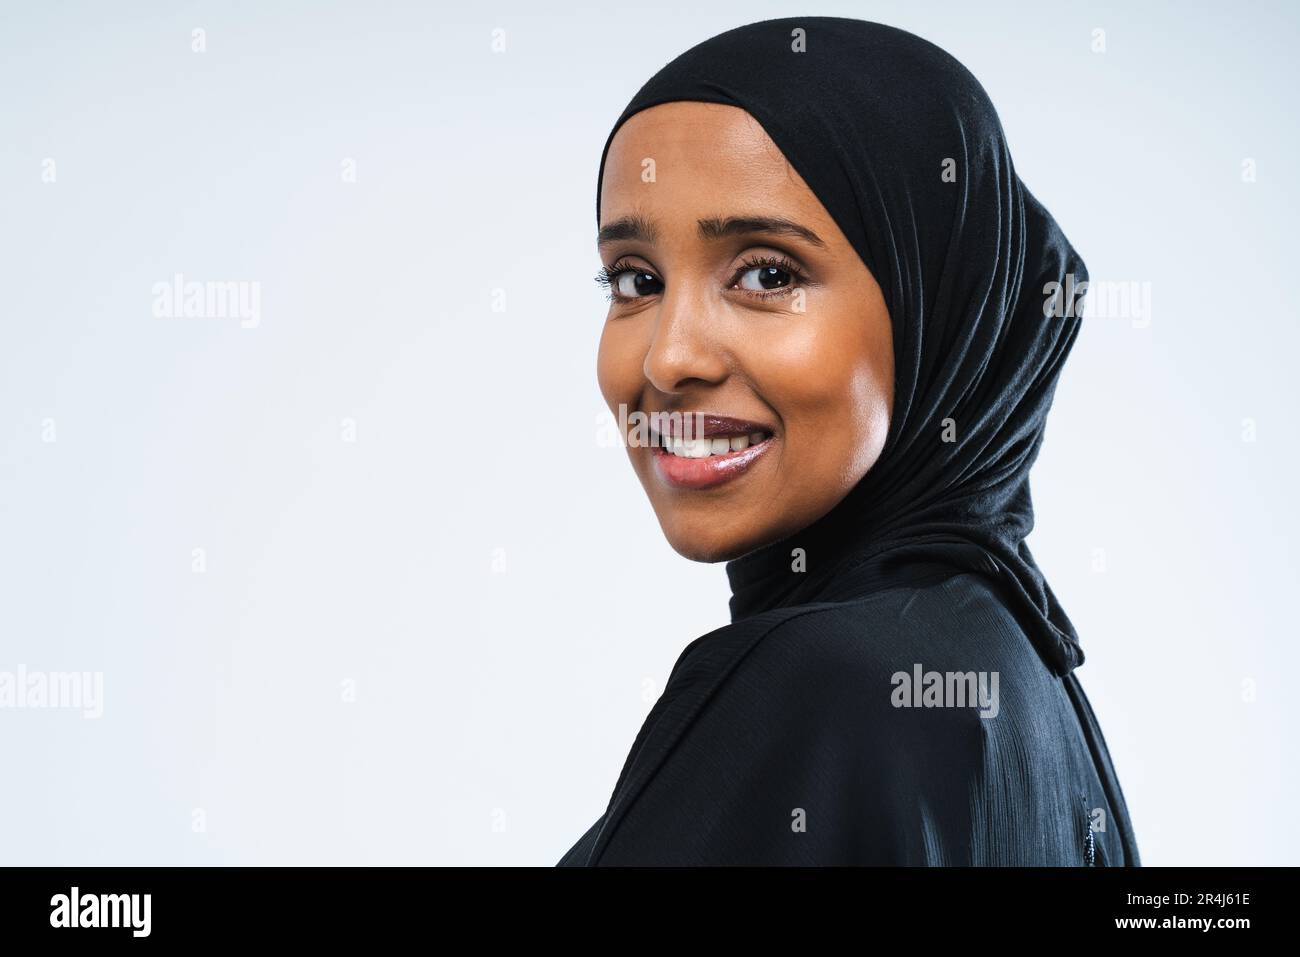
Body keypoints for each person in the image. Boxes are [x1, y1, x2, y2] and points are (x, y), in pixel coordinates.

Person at [559, 15, 1140, 866]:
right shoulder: (1028, 673)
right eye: (636, 280)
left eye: (768, 273)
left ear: (937, 304)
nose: (669, 354)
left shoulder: (817, 685)